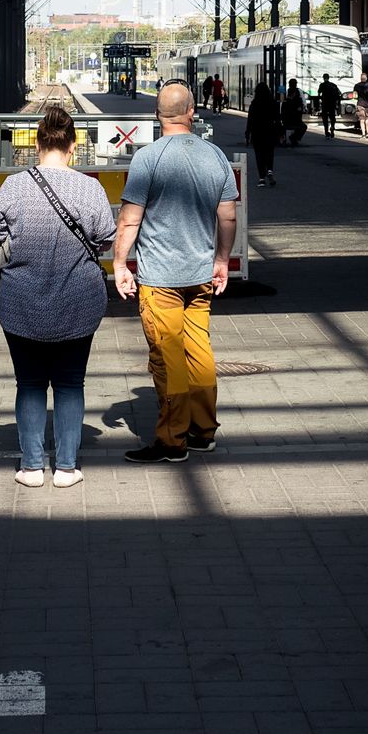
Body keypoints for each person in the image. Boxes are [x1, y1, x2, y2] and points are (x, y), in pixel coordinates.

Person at [0, 106, 116, 489]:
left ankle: (31, 467)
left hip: (21, 303)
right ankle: (67, 468)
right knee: (71, 383)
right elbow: (106, 238)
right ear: (72, 146)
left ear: (38, 146)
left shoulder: (14, 187)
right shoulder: (90, 188)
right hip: (78, 303)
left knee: (29, 384)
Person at [112, 80, 238, 463]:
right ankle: (203, 431)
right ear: (191, 112)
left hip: (160, 279)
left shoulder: (147, 158)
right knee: (199, 351)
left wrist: (119, 263)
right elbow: (228, 216)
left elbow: (130, 220)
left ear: (156, 115)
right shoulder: (215, 155)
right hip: (200, 275)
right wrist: (222, 260)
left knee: (168, 358)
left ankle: (172, 440)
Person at [245, 81, 280, 187]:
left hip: (257, 132)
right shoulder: (273, 103)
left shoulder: (254, 104)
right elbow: (277, 118)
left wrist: (248, 133)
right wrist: (280, 132)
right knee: (269, 152)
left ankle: (261, 178)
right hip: (270, 131)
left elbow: (250, 120)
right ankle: (269, 170)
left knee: (259, 155)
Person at [317, 72, 341, 138]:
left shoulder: (322, 85)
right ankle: (332, 127)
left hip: (325, 104)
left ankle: (326, 132)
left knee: (325, 118)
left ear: (323, 78)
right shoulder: (333, 85)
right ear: (328, 78)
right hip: (332, 104)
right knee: (332, 117)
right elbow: (339, 93)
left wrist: (320, 100)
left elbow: (319, 93)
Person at [353, 71, 368, 138]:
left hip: (360, 104)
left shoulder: (356, 85)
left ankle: (363, 134)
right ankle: (367, 133)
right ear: (366, 78)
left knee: (362, 119)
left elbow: (354, 96)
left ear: (361, 78)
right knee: (367, 119)